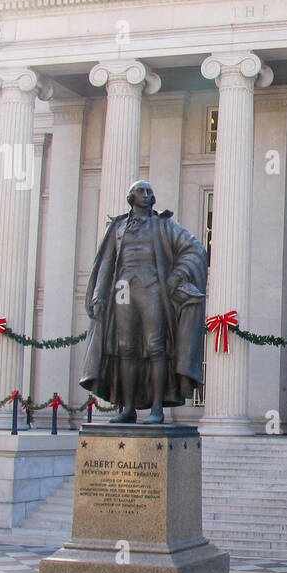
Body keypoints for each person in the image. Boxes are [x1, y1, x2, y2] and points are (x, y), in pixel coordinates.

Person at [80, 180, 207, 423]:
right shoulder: (117, 227)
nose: (148, 195)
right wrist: (98, 295)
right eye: (142, 191)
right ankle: (128, 408)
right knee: (126, 348)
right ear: (131, 198)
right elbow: (107, 263)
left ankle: (157, 409)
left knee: (156, 347)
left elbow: (195, 249)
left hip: (152, 289)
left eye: (150, 191)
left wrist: (178, 274)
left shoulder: (164, 224)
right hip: (123, 290)